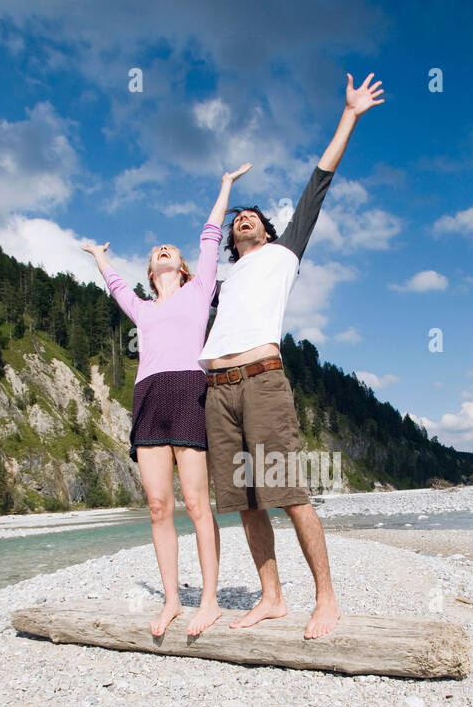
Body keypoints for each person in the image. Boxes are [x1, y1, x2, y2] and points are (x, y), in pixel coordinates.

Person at [201, 73, 384, 639]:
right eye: (236, 221)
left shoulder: (284, 253)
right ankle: (272, 597)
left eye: (250, 216)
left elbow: (319, 181)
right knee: (245, 502)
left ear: (268, 229)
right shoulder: (223, 278)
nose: (242, 220)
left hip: (261, 382)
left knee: (287, 492)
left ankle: (326, 599)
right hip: (217, 390)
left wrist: (349, 115)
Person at [82, 163, 251, 637]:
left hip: (188, 391)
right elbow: (114, 285)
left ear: (181, 267)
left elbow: (209, 235)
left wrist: (224, 187)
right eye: (157, 251)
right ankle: (173, 600)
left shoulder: (199, 291)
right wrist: (98, 255)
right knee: (159, 506)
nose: (163, 249)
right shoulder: (141, 307)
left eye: (171, 250)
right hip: (148, 397)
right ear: (152, 270)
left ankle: (211, 600)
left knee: (197, 503)